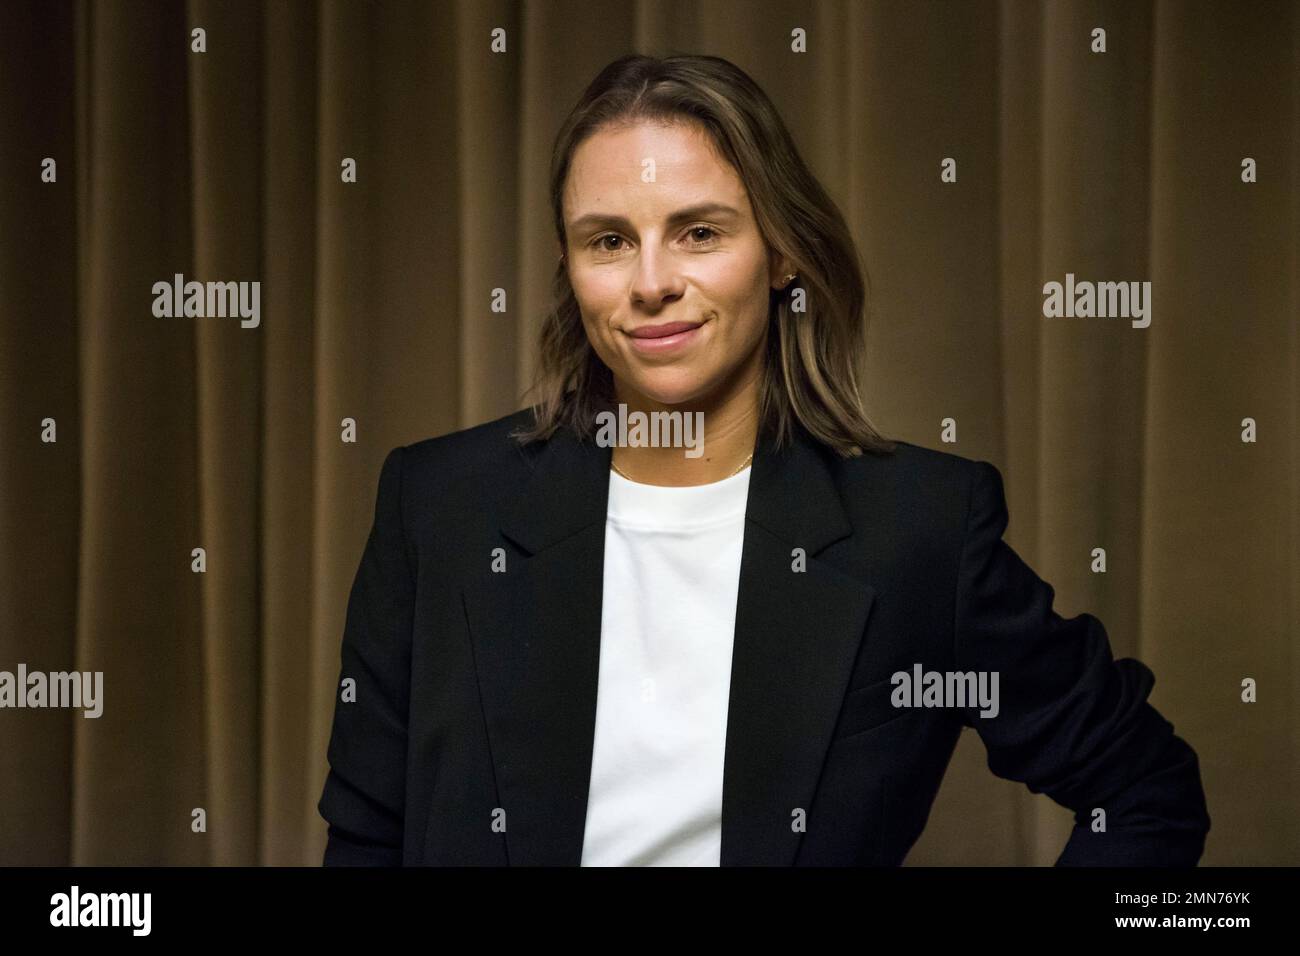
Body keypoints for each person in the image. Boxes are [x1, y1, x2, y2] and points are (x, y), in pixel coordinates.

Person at [317, 53, 1210, 866]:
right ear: (569, 266)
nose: (652, 281)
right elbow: (364, 838)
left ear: (780, 251)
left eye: (699, 232)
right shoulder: (439, 506)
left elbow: (1144, 790)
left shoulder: (919, 530)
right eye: (610, 240)